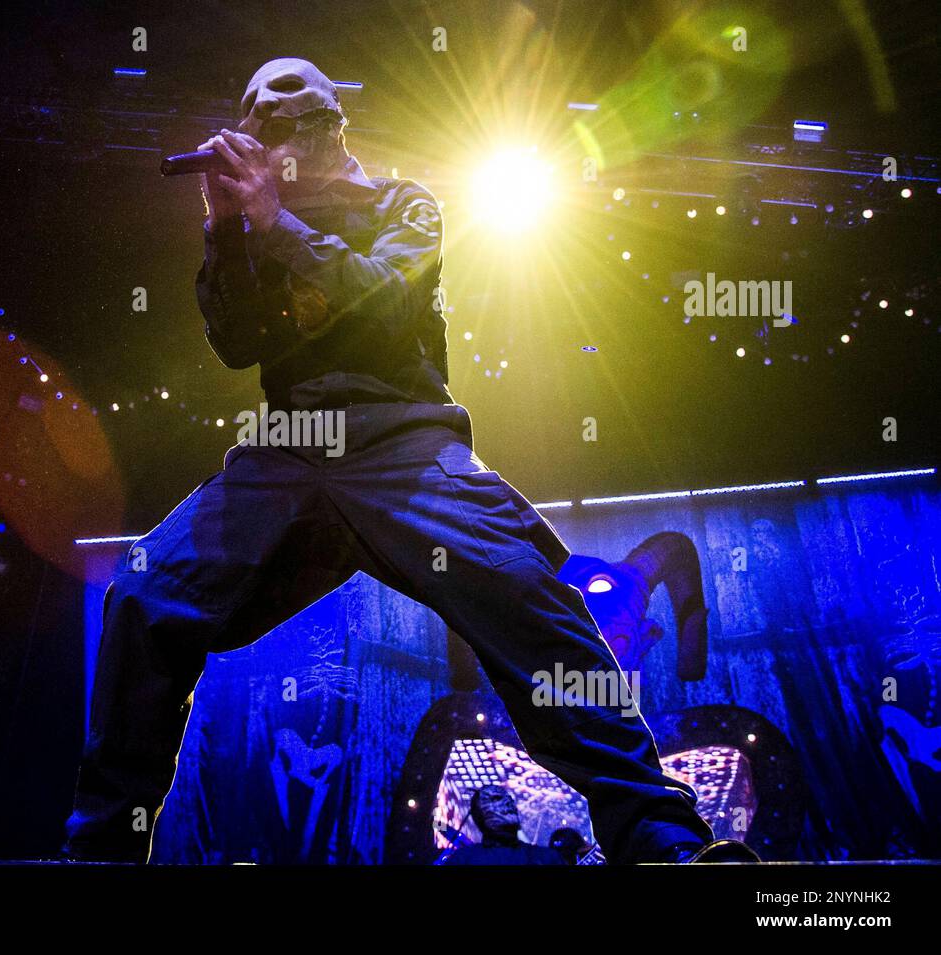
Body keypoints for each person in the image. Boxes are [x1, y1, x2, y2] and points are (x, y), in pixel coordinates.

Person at [63, 56, 754, 865]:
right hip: (290, 451)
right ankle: (104, 848)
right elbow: (237, 341)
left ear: (328, 130)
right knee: (146, 591)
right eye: (261, 130)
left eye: (288, 131)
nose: (274, 148)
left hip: (404, 445)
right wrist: (223, 229)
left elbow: (383, 303)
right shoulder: (256, 218)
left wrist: (275, 221)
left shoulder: (405, 203)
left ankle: (661, 837)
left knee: (528, 593)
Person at [439, 786, 565, 865]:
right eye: (496, 799)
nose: (508, 803)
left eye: (509, 799)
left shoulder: (547, 857)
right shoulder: (462, 859)